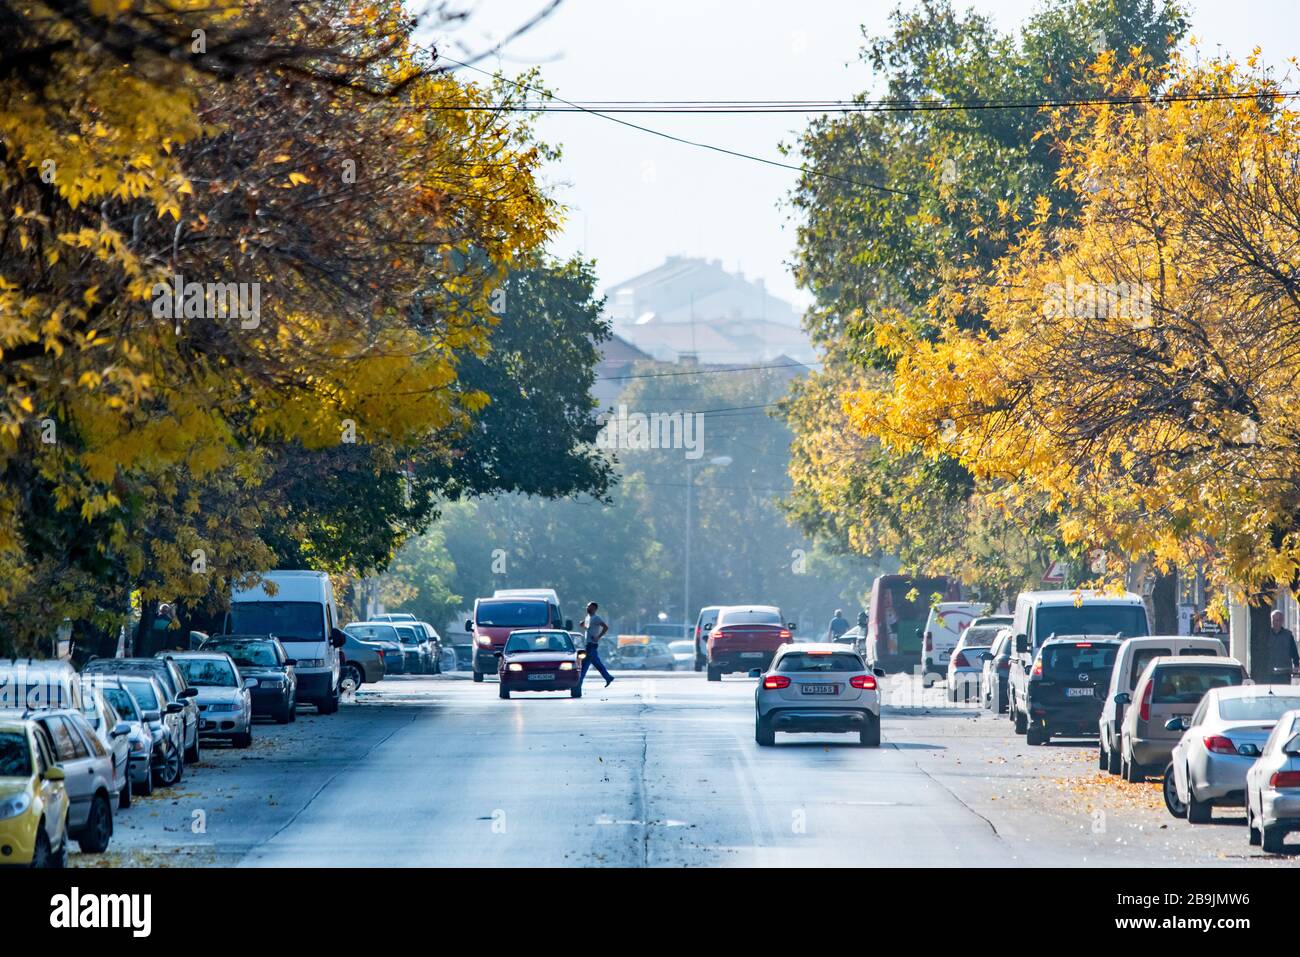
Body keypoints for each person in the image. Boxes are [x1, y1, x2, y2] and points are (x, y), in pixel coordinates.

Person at [580, 601, 615, 688]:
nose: (588, 608)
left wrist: (598, 637)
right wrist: (583, 625)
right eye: (587, 607)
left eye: (590, 607)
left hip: (592, 645)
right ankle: (608, 677)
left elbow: (605, 627)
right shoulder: (588, 617)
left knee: (584, 665)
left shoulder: (596, 618)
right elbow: (588, 629)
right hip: (588, 645)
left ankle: (578, 683)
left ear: (595, 609)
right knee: (596, 663)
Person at [1266, 610, 1300, 682]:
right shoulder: (1266, 635)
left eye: (1278, 620)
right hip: (1269, 672)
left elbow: (1293, 651)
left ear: (1282, 621)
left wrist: (1296, 665)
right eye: (1274, 620)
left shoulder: (1288, 635)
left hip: (1285, 672)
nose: (1276, 623)